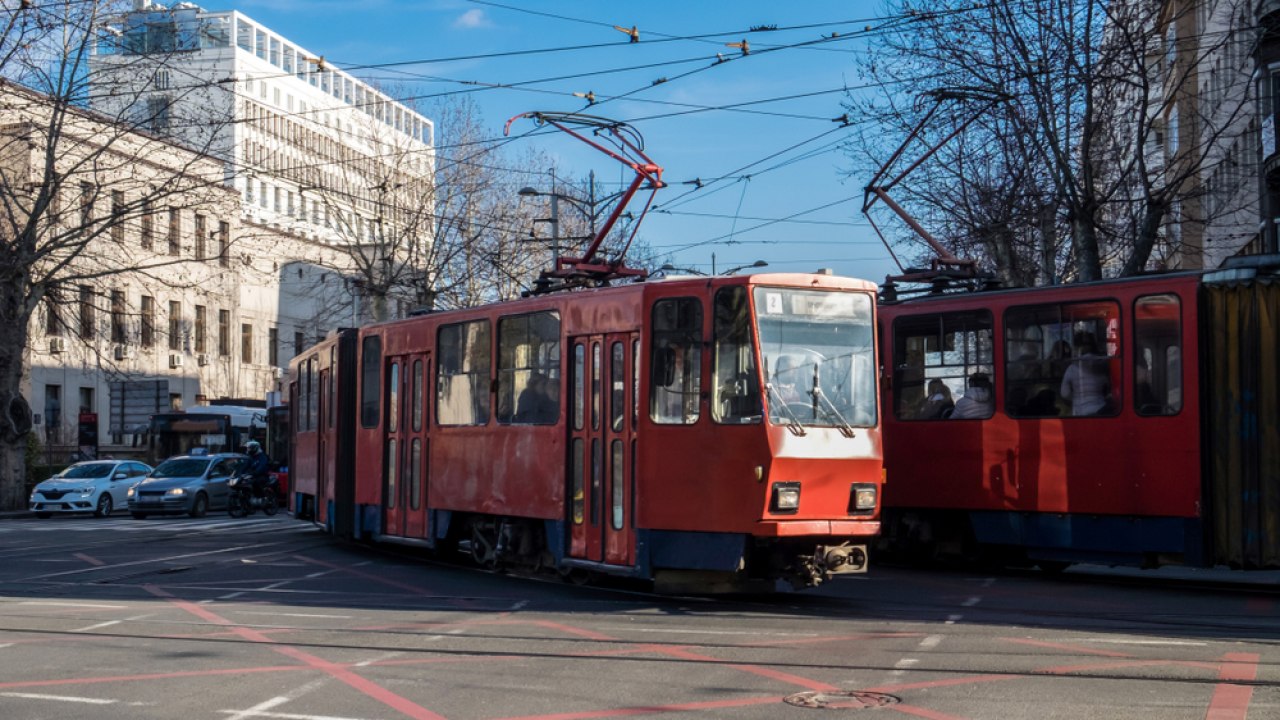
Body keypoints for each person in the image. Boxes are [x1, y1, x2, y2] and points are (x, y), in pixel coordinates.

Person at [1060, 332, 1111, 416]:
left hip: (1079, 412)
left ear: (1077, 347)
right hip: (1101, 410)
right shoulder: (1103, 364)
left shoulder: (1072, 368)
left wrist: (1077, 398)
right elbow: (1108, 385)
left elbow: (1064, 393)